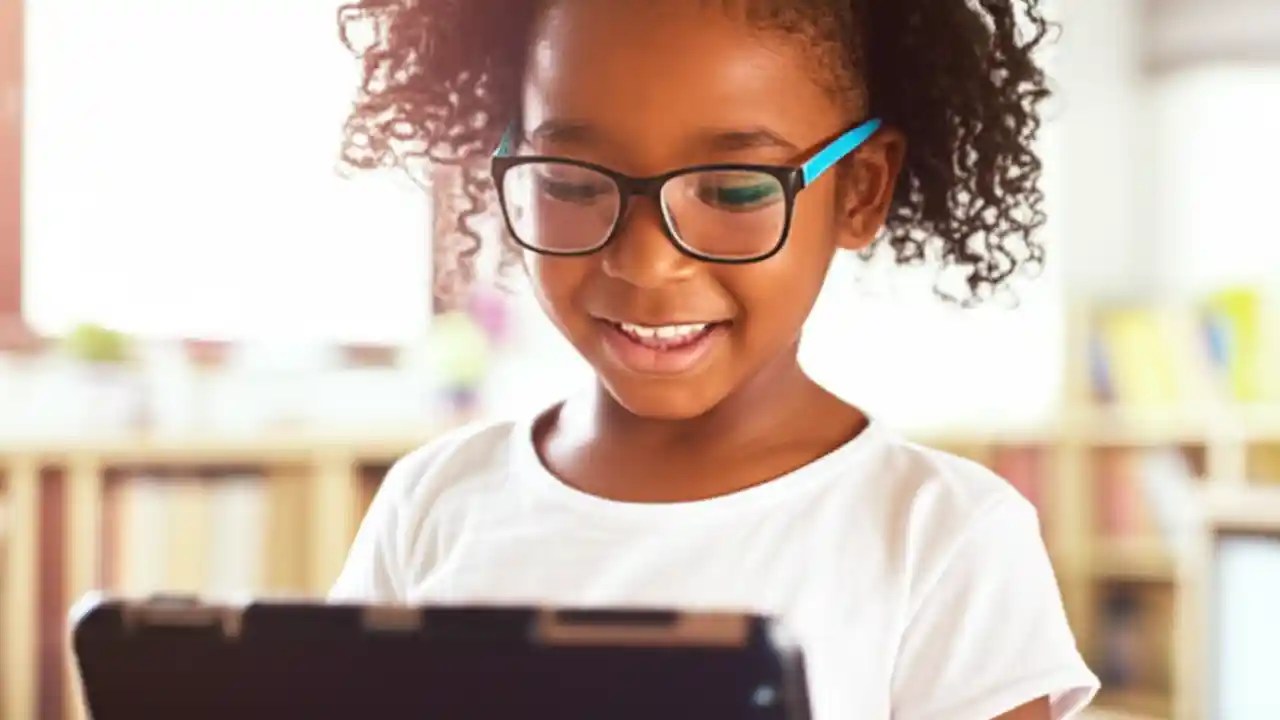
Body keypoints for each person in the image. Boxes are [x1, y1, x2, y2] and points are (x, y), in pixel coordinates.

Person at [330, 1, 1099, 717]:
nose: (645, 263)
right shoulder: (433, 503)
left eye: (732, 192)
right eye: (570, 182)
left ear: (861, 190)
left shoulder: (942, 536)